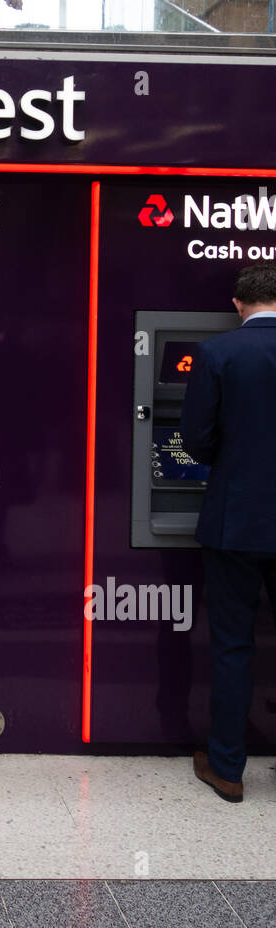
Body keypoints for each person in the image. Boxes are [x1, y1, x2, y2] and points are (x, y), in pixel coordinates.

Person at [180, 265, 276, 803]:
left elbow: (195, 441)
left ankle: (228, 770)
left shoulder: (218, 355)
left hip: (235, 521)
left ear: (238, 303)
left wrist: (236, 465)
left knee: (233, 647)